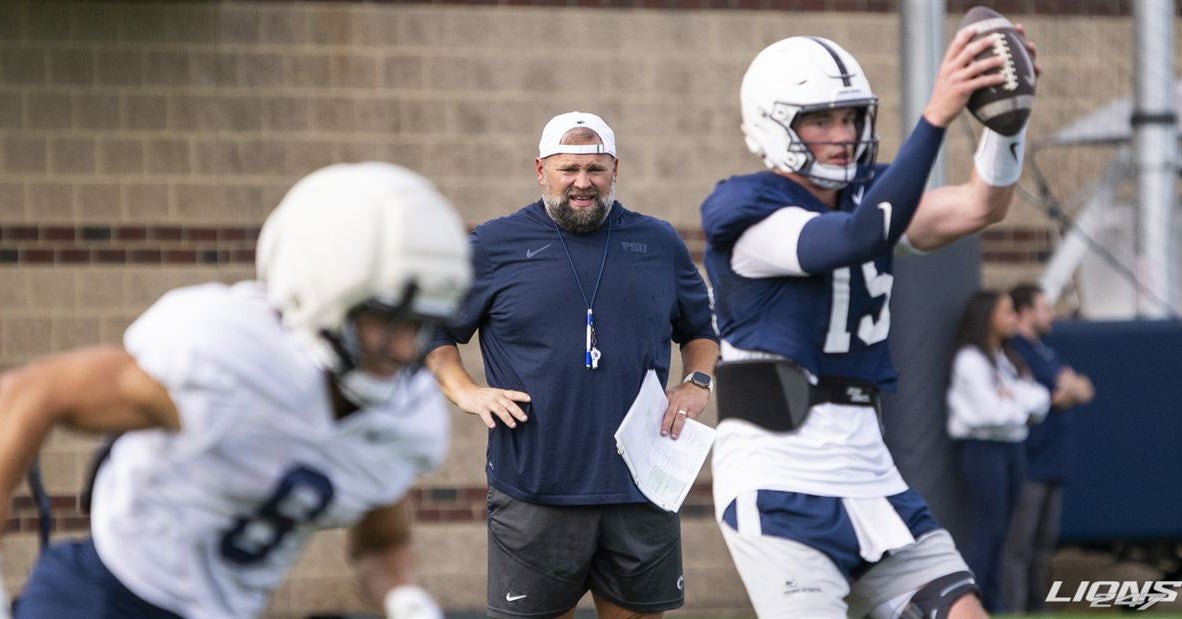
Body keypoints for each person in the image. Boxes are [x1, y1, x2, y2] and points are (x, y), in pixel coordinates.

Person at [0, 162, 472, 619]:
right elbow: (31, 392)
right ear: (318, 295)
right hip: (103, 596)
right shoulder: (229, 357)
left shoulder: (403, 419)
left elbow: (382, 544)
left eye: (421, 322)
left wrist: (403, 598)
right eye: (385, 318)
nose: (407, 346)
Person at [701, 28, 1040, 619]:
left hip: (871, 471)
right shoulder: (745, 212)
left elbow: (981, 205)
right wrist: (935, 117)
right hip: (780, 476)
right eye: (821, 121)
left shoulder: (868, 198)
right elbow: (860, 237)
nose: (842, 136)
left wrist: (1004, 128)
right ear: (772, 125)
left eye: (851, 117)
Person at [425, 111, 719, 619]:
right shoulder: (493, 245)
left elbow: (701, 329)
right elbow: (433, 335)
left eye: (595, 168)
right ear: (541, 170)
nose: (582, 182)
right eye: (568, 169)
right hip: (535, 489)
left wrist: (696, 382)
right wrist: (467, 391)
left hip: (639, 487)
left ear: (615, 169)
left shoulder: (657, 241)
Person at [946, 290, 1051, 613]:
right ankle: (965, 602)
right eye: (1007, 312)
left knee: (1004, 531)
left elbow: (1040, 399)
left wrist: (1013, 399)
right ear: (987, 316)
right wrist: (1017, 405)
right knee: (987, 529)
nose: (1014, 319)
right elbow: (990, 412)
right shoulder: (969, 360)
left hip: (1010, 449)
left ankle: (994, 603)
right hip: (982, 450)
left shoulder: (1007, 358)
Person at [1001, 283, 1094, 613]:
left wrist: (1067, 389)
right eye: (1044, 308)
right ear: (1025, 312)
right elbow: (1053, 396)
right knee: (1019, 545)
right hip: (1029, 462)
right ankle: (1013, 607)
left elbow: (1083, 389)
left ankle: (1038, 607)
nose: (1051, 314)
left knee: (1044, 544)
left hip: (1054, 462)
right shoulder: (1015, 351)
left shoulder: (1046, 351)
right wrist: (1063, 390)